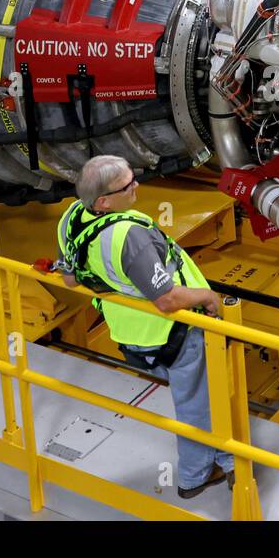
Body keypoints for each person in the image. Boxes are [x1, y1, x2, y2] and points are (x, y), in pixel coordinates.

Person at [56, 155, 234, 499]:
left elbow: (69, 278)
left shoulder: (71, 218)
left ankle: (225, 457)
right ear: (104, 201)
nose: (136, 184)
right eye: (127, 184)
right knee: (197, 403)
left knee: (197, 398)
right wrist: (208, 297)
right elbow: (166, 300)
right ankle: (195, 476)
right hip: (171, 332)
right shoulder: (128, 237)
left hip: (129, 332)